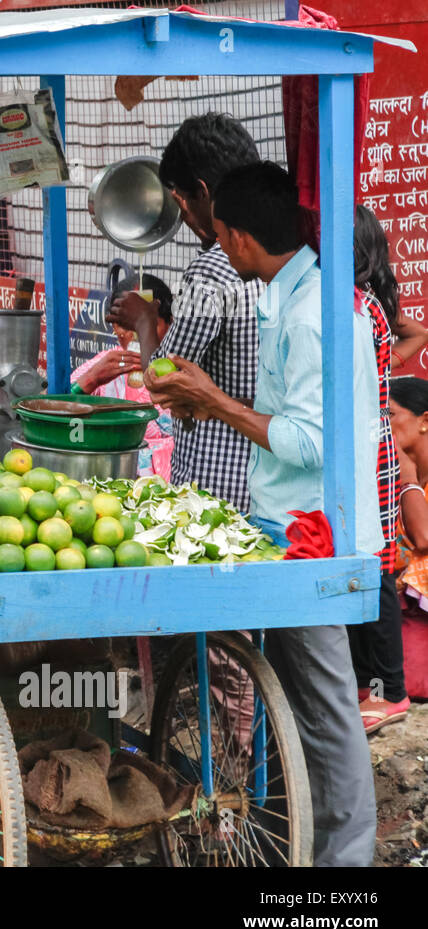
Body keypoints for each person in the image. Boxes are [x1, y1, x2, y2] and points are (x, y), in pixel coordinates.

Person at [145, 161, 380, 866]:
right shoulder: (288, 294)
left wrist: (216, 402)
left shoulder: (311, 317)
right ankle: (297, 846)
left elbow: (310, 442)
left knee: (328, 710)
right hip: (282, 522)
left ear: (241, 239)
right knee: (299, 705)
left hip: (316, 533)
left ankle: (345, 868)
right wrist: (206, 399)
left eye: (219, 236)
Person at [110, 112, 263, 512]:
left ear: (202, 192)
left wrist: (145, 321)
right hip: (267, 476)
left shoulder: (211, 270)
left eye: (181, 201)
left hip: (217, 481)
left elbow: (161, 378)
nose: (184, 217)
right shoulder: (279, 255)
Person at [349, 205, 426, 734]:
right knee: (364, 571)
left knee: (375, 569)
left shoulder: (368, 307)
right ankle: (366, 685)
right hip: (367, 447)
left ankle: (389, 692)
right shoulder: (371, 304)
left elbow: (413, 333)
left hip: (370, 451)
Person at [72, 274, 175, 479]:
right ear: (113, 326)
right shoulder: (103, 366)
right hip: (113, 479)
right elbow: (48, 405)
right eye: (127, 326)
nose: (136, 335)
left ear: (170, 323)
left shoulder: (183, 366)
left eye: (147, 326)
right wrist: (89, 381)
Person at [387, 376, 428, 703]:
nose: (384, 426)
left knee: (409, 684)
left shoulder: (404, 471)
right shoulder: (389, 469)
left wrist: (407, 473)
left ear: (424, 421)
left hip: (419, 608)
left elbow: (424, 538)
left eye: (390, 415)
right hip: (397, 608)